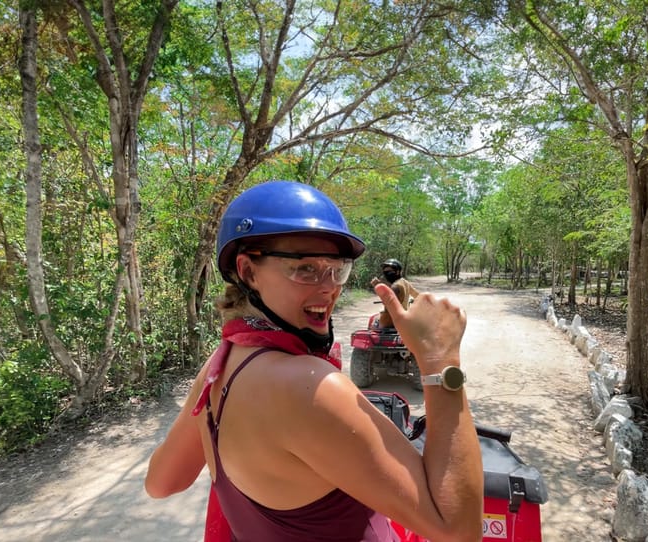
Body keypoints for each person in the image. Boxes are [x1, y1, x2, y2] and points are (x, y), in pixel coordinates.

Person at [144, 180, 483, 542]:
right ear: (247, 272)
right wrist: (439, 358)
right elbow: (459, 531)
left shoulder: (221, 363)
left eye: (337, 268)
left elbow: (162, 482)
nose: (329, 287)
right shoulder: (311, 387)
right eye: (304, 268)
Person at [370, 258, 419, 329]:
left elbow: (388, 303)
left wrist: (378, 287)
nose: (387, 275)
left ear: (398, 271)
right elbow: (417, 295)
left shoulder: (395, 287)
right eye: (385, 272)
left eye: (389, 272)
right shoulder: (405, 282)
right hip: (404, 318)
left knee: (373, 322)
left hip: (390, 321)